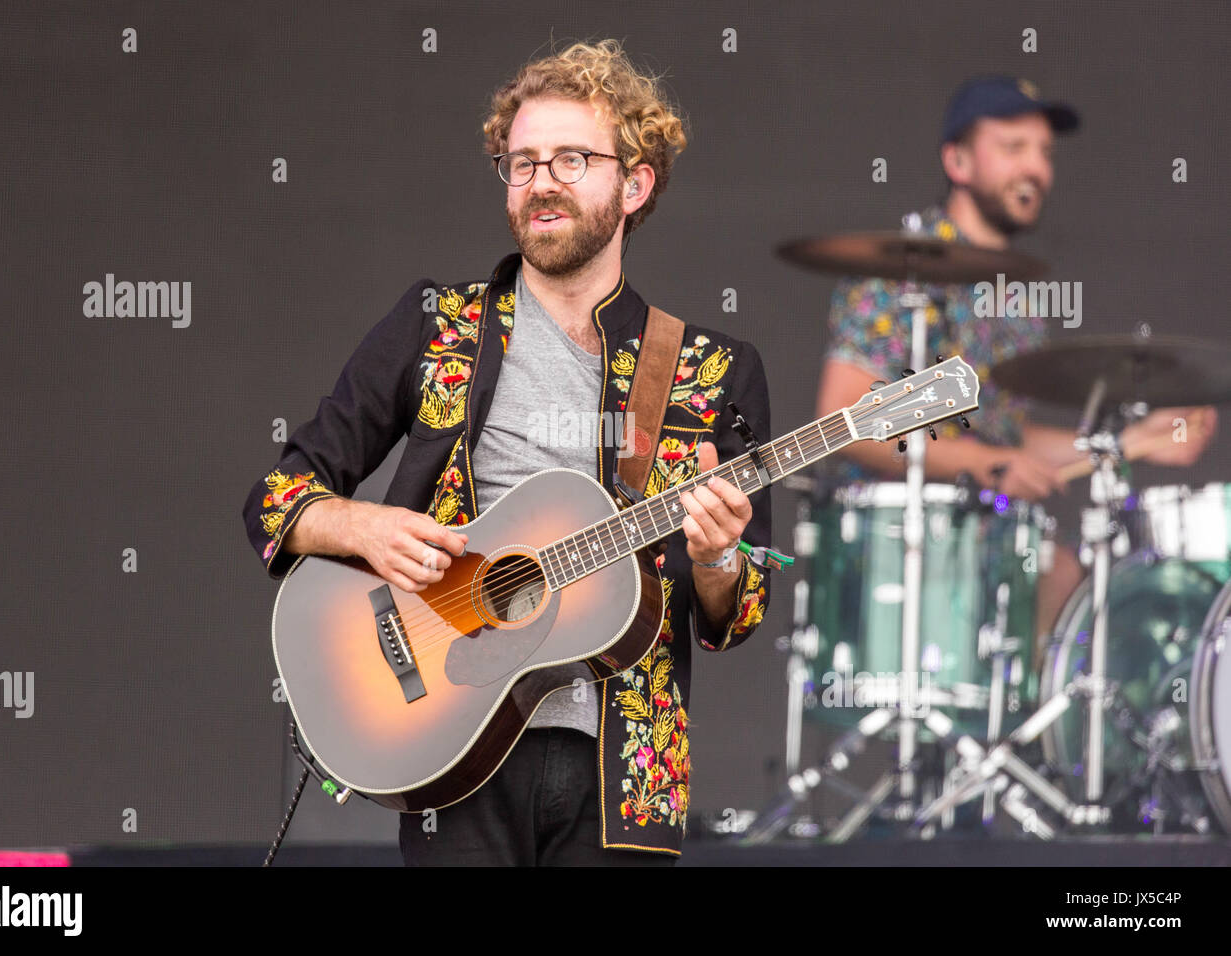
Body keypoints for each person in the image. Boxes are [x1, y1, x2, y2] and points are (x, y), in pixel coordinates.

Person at [240, 40, 773, 865]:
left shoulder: (712, 372)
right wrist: (363, 528)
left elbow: (734, 613)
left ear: (635, 184)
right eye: (520, 163)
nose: (541, 181)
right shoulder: (438, 325)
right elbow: (277, 496)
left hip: (623, 775)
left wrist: (716, 558)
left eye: (571, 158)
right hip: (450, 745)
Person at [813, 75, 1216, 641]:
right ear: (957, 160)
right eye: (1013, 148)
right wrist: (983, 465)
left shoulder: (1016, 296)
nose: (1036, 169)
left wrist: (1138, 441)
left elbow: (1008, 440)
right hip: (892, 554)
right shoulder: (899, 271)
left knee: (1087, 583)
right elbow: (845, 421)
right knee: (1057, 575)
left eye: (1044, 153)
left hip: (990, 550)